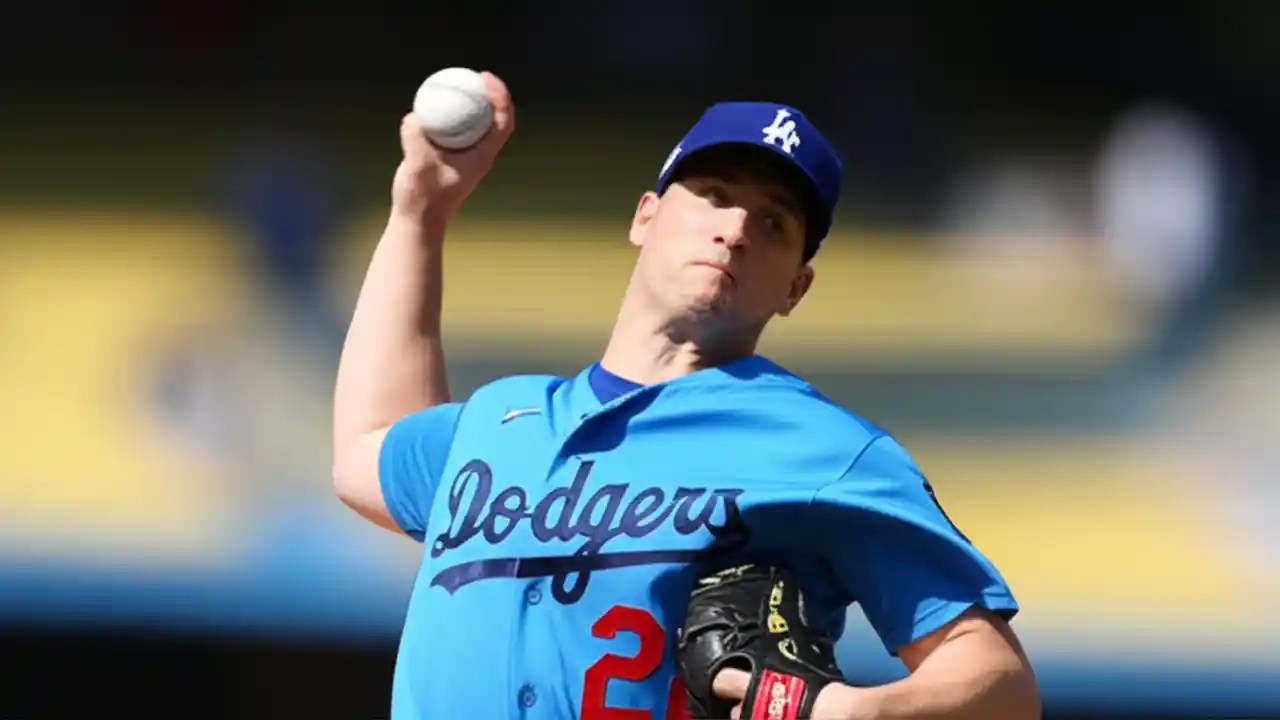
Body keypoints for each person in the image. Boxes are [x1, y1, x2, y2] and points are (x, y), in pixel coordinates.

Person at [332, 71, 1040, 719]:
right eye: (715, 194)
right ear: (645, 216)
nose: (734, 229)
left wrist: (844, 712)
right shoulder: (501, 419)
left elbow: (1000, 684)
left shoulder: (827, 449)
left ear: (797, 287)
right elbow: (366, 451)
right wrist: (420, 212)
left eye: (774, 223)